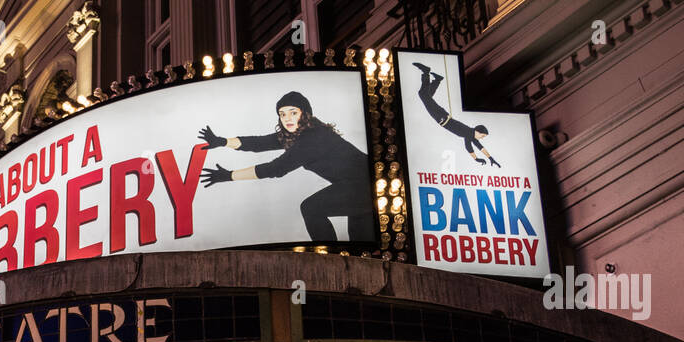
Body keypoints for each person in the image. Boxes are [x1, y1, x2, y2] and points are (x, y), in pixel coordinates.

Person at [197, 91, 373, 241]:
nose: (287, 119)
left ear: (305, 114)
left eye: (293, 113)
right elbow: (259, 143)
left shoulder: (313, 138)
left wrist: (229, 176)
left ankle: (331, 258)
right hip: (359, 186)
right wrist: (222, 141)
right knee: (361, 245)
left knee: (311, 208)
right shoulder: (298, 134)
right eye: (282, 114)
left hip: (365, 184)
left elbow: (276, 168)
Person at [413, 63, 500, 167]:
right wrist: (476, 159)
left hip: (442, 117)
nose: (481, 138)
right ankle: (426, 73)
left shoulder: (471, 134)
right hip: (441, 117)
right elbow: (469, 147)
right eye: (482, 136)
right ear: (477, 131)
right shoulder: (469, 133)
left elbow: (480, 147)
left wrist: (491, 158)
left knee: (426, 96)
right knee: (423, 95)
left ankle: (437, 80)